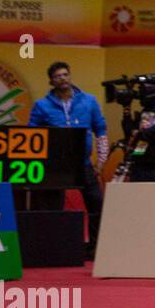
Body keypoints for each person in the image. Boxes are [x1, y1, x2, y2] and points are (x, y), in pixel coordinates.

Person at [28, 62, 108, 258]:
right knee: (53, 208)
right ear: (51, 81)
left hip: (84, 164)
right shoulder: (42, 105)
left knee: (96, 203)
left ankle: (95, 248)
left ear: (70, 76)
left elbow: (101, 130)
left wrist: (102, 161)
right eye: (57, 76)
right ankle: (53, 248)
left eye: (65, 74)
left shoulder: (89, 101)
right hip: (55, 167)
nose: (62, 78)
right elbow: (32, 135)